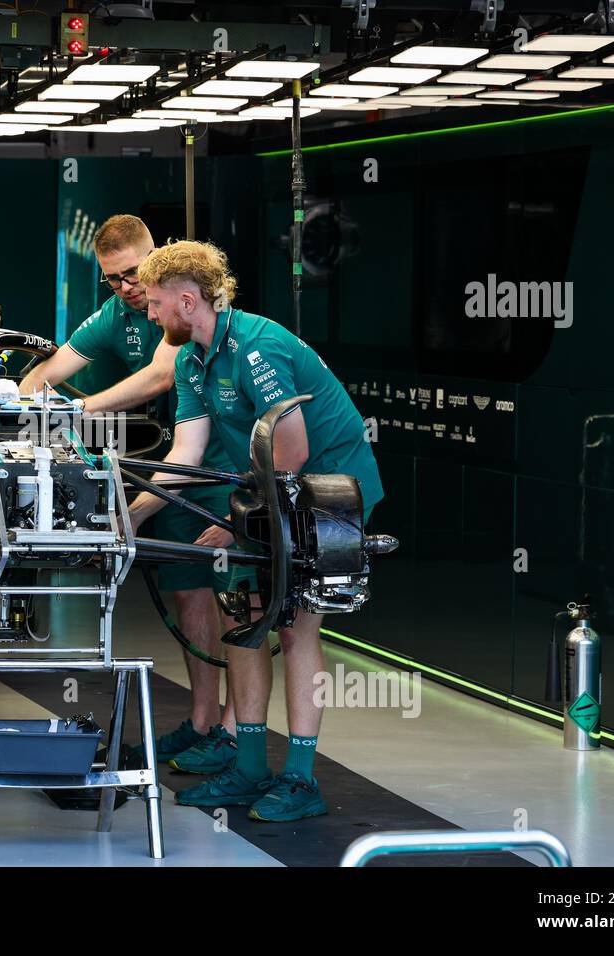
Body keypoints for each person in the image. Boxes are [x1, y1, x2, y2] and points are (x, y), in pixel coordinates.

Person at [127, 239, 383, 823]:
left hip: (329, 491)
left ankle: (299, 777)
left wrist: (238, 526)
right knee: (240, 616)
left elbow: (292, 452)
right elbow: (188, 450)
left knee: (294, 628)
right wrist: (137, 511)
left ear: (188, 300)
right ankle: (247, 767)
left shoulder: (258, 346)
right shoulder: (192, 359)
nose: (149, 314)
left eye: (156, 304)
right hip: (270, 491)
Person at [19, 214, 250, 775]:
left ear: (157, 258)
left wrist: (77, 409)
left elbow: (159, 377)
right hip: (176, 462)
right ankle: (201, 721)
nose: (126, 289)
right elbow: (46, 374)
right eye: (112, 280)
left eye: (132, 275)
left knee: (235, 599)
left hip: (227, 462)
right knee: (187, 592)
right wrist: (20, 401)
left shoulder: (186, 303)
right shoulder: (116, 313)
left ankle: (235, 730)